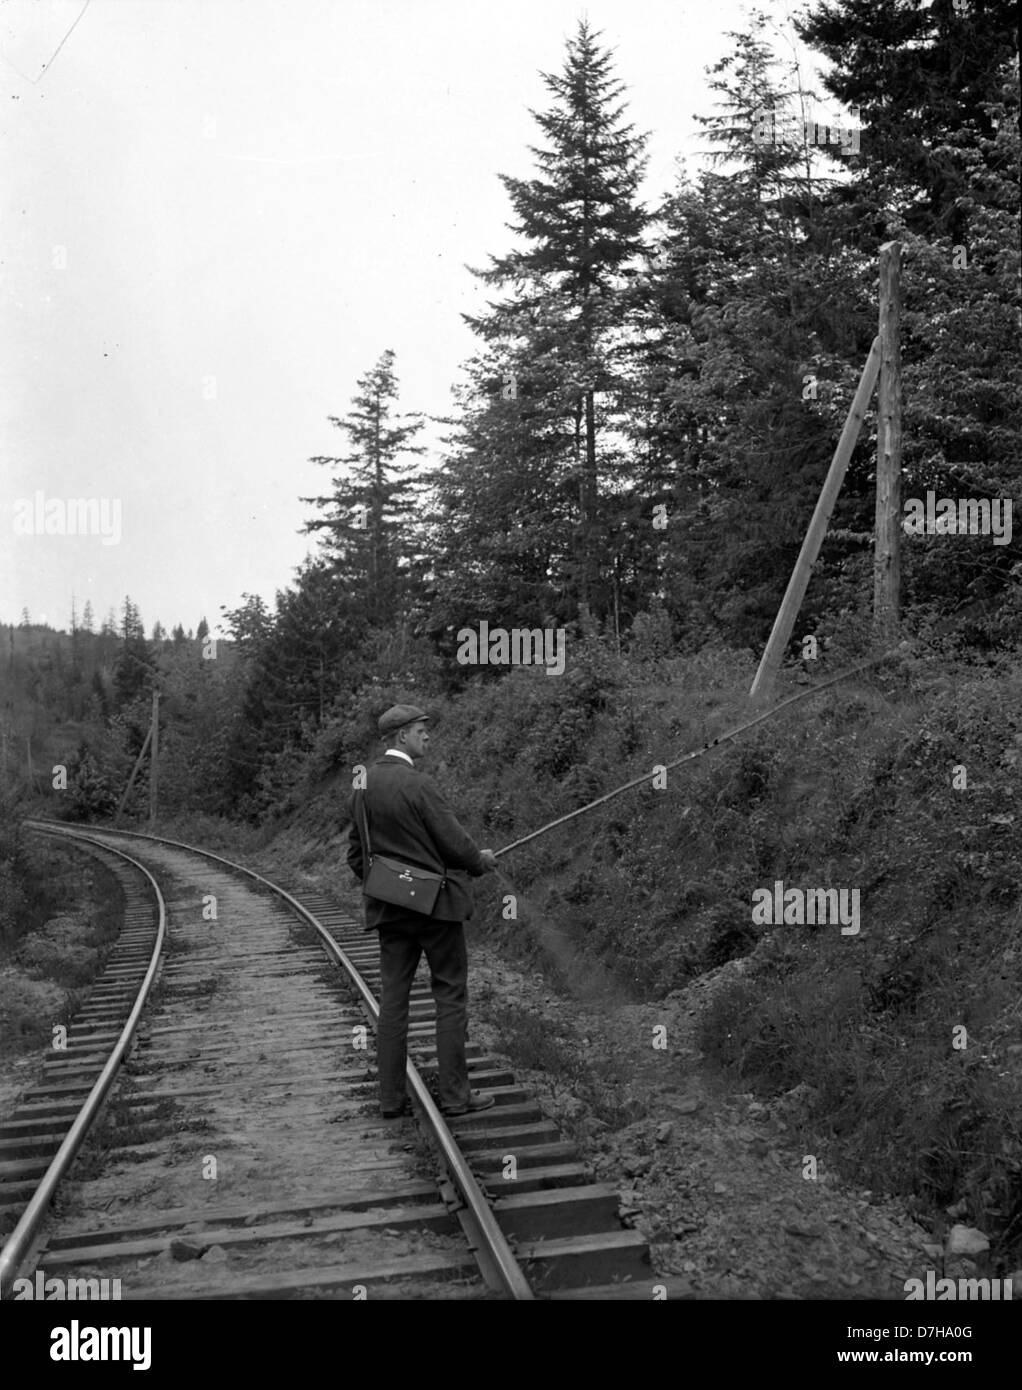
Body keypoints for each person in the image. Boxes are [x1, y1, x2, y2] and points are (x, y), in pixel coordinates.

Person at [346, 704, 499, 1119]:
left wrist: (389, 886)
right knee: (449, 995)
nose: (426, 736)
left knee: (393, 1001)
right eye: (419, 730)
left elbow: (357, 856)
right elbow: (456, 846)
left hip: (391, 912)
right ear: (401, 737)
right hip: (436, 910)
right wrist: (479, 861)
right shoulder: (419, 784)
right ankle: (455, 1097)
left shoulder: (362, 786)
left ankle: (391, 1100)